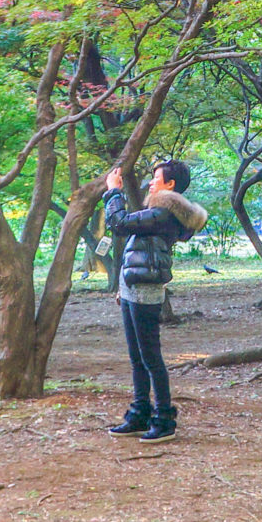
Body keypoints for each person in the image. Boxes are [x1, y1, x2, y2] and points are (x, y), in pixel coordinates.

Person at [103, 159, 208, 444]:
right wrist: (122, 285)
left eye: (156, 178)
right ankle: (140, 414)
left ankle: (163, 420)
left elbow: (118, 223)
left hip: (145, 292)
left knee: (150, 358)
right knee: (137, 357)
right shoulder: (156, 211)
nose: (151, 182)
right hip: (132, 288)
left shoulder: (164, 213)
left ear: (170, 185)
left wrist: (113, 191)